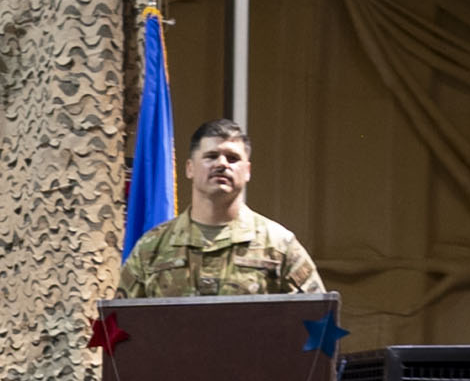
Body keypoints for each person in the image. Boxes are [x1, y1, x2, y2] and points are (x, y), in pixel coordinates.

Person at [115, 117, 325, 299]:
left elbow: (317, 324)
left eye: (233, 158)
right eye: (211, 156)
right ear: (189, 168)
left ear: (247, 171)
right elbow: (122, 326)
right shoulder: (151, 248)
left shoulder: (278, 246)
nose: (222, 164)